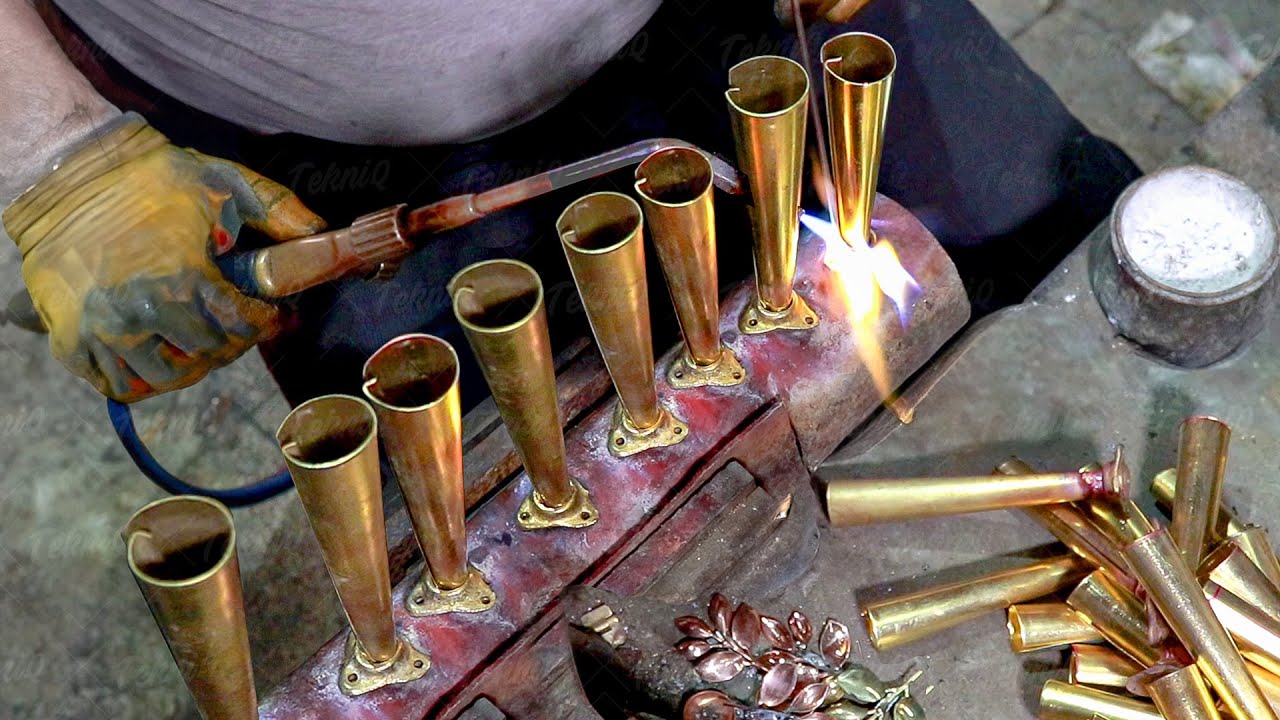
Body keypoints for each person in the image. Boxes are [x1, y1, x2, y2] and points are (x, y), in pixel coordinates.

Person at [1, 0, 1140, 411]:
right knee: (543, 558)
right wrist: (55, 164)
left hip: (756, 14)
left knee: (1100, 306)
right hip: (327, 141)